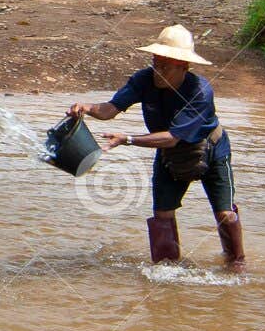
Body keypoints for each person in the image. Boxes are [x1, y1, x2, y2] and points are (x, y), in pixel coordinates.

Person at [69, 25, 244, 269]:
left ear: (184, 67)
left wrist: (128, 139)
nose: (157, 71)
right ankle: (166, 269)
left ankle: (236, 264)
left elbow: (172, 137)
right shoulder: (143, 80)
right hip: (169, 153)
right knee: (162, 215)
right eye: (155, 63)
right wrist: (86, 108)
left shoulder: (199, 91)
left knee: (225, 214)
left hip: (210, 150)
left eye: (165, 66)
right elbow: (110, 109)